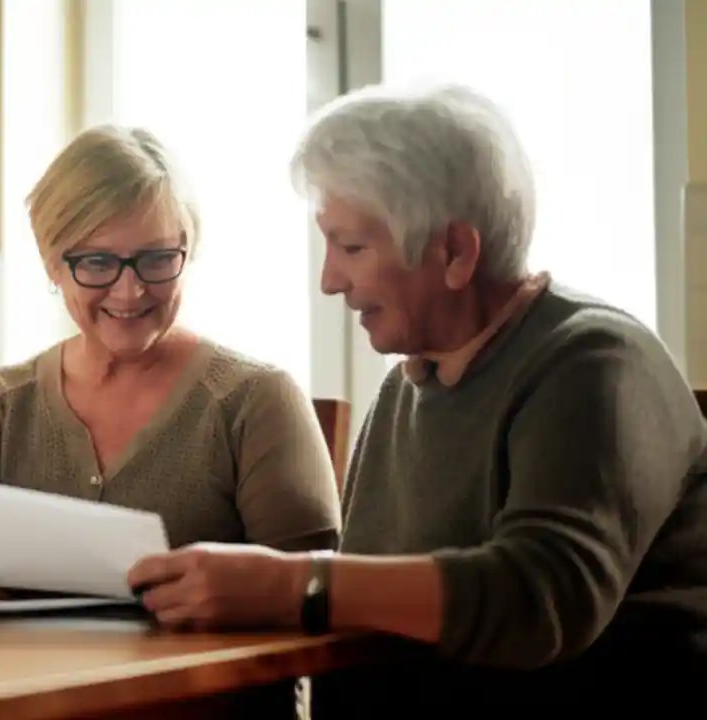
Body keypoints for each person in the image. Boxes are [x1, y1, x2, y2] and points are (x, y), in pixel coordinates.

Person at [126, 82, 707, 715]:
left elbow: (541, 596)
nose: (329, 280)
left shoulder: (594, 360)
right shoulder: (408, 383)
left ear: (455, 252)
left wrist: (293, 582)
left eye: (351, 247)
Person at [0, 125, 341, 607]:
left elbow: (315, 590)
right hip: (32, 681)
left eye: (156, 259)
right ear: (53, 265)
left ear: (187, 250)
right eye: (96, 263)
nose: (129, 291)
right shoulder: (1, 404)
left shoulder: (254, 400)